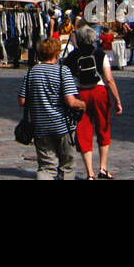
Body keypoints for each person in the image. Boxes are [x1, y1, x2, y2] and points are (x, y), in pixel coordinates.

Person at [19, 37, 86, 179]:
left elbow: (22, 100)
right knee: (67, 165)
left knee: (46, 166)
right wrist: (83, 104)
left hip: (40, 126)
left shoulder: (31, 73)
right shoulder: (63, 71)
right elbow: (71, 101)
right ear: (57, 54)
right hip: (62, 126)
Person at [63, 25, 122, 179]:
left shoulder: (73, 56)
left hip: (80, 93)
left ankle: (90, 173)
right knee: (103, 128)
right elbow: (109, 79)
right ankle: (103, 168)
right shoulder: (99, 54)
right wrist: (117, 100)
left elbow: (65, 77)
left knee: (83, 131)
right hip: (99, 91)